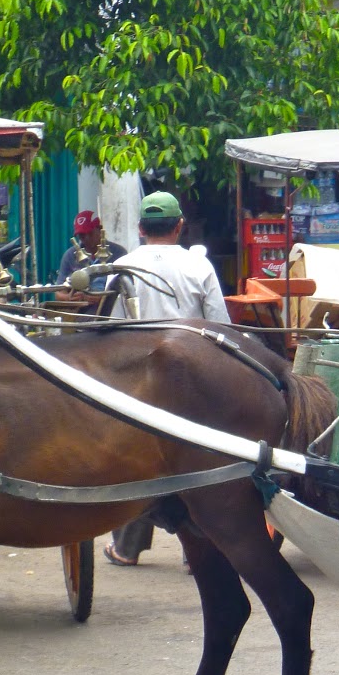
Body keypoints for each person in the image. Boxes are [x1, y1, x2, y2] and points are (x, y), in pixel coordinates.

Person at [103, 191, 228, 567]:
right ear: (179, 227)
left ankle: (127, 548)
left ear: (141, 229)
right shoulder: (199, 266)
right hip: (192, 378)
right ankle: (198, 552)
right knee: (198, 460)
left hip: (138, 381)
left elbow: (108, 330)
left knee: (137, 460)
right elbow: (220, 327)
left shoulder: (121, 267)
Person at [54, 209, 126, 286]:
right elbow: (60, 289)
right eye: (82, 235)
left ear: (100, 230)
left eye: (90, 233)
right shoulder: (70, 256)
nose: (87, 238)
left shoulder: (118, 253)